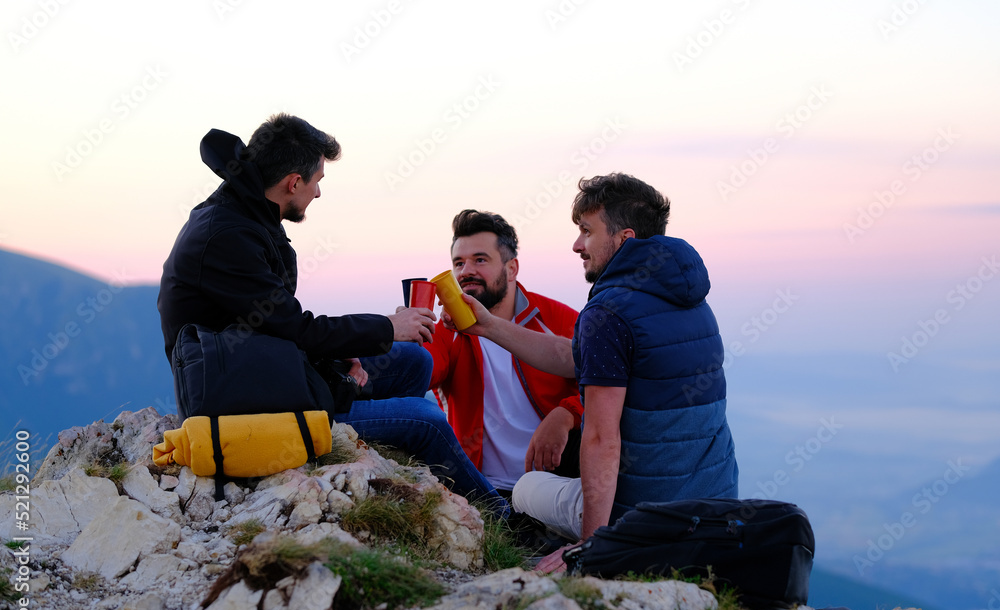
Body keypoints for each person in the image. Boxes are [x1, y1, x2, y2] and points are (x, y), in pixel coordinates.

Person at [157, 113, 508, 514]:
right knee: (426, 417)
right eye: (317, 180)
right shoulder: (228, 236)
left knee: (414, 361)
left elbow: (272, 324)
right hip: (237, 393)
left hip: (266, 367)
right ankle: (504, 519)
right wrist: (387, 326)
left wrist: (336, 357)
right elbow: (293, 327)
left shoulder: (246, 211)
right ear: (293, 182)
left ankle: (382, 465)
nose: (319, 192)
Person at [454, 173, 739, 570]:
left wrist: (593, 549)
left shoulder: (608, 313)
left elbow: (603, 439)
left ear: (623, 239)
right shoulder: (690, 301)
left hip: (644, 519)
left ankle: (566, 543)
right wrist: (487, 325)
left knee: (526, 487)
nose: (576, 245)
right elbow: (574, 356)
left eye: (586, 232)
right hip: (714, 510)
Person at [424, 209, 584, 496]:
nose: (466, 271)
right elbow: (425, 370)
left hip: (558, 481)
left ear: (511, 269)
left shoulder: (557, 318)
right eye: (458, 263)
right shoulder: (448, 330)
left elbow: (607, 379)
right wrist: (407, 336)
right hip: (481, 489)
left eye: (480, 260)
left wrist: (567, 413)